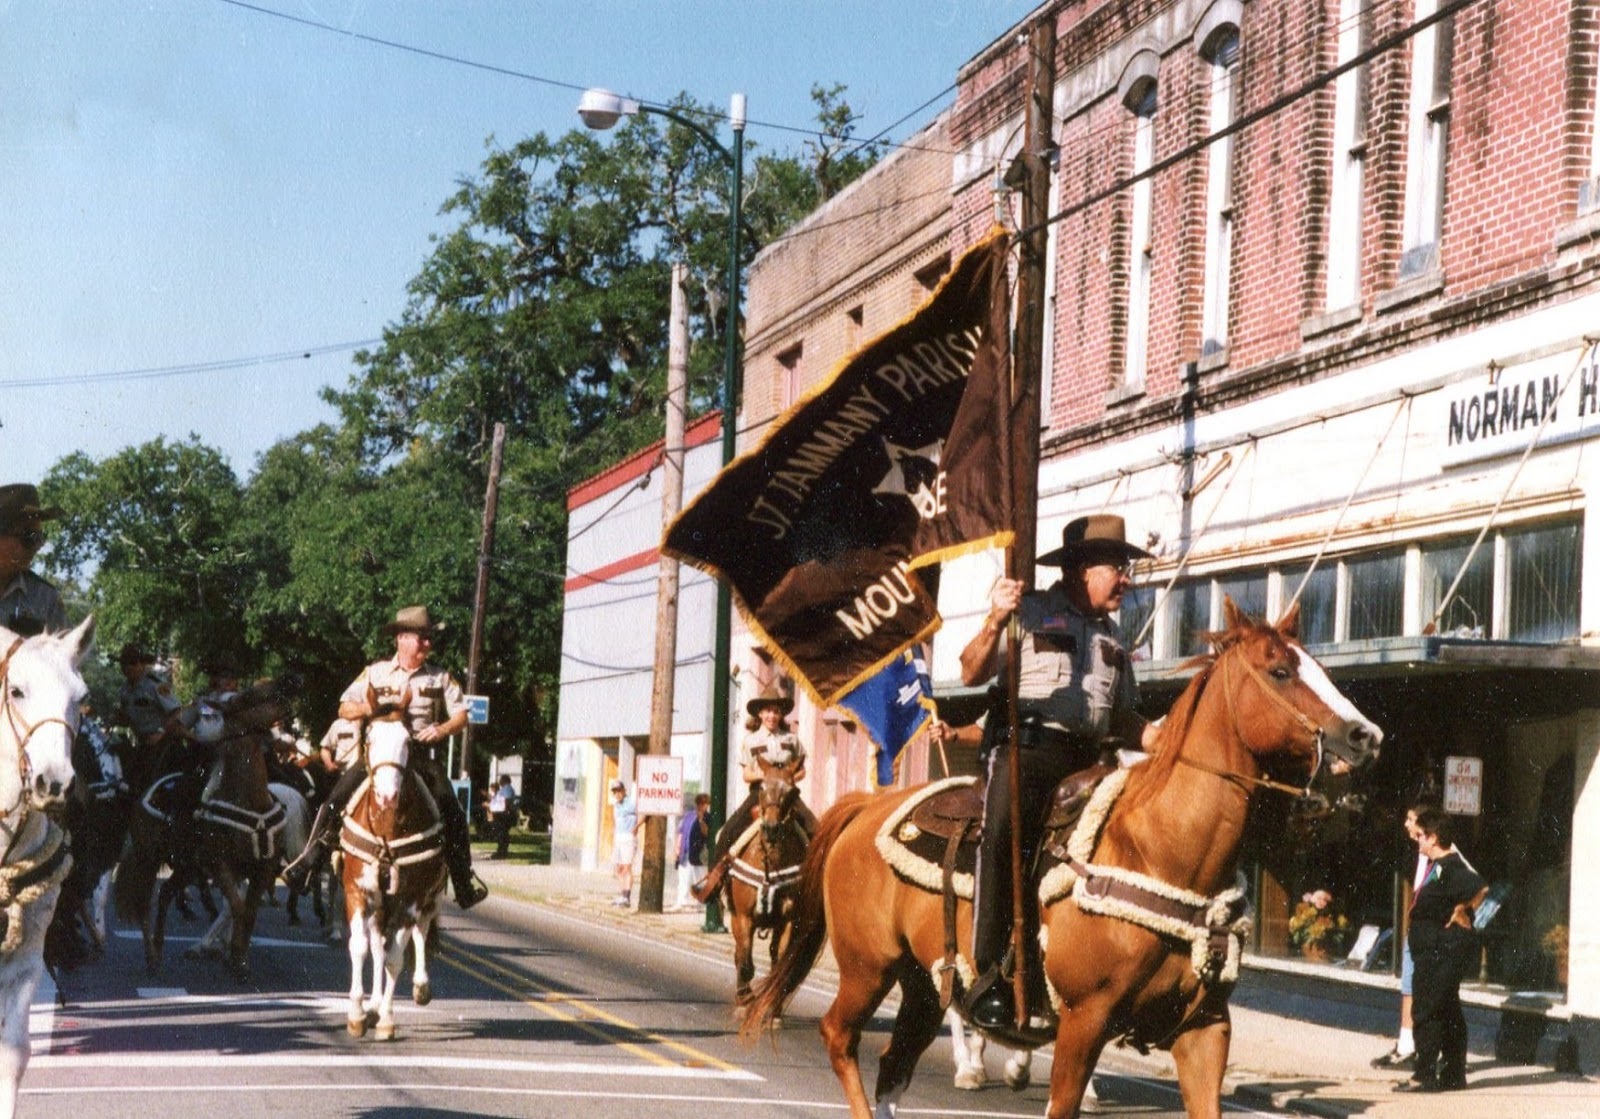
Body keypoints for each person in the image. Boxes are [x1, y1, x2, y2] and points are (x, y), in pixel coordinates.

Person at [956, 513, 1160, 1029]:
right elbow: (970, 669)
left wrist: (1168, 739)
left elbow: (1123, 717)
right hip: (1028, 752)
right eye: (1117, 567)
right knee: (1003, 838)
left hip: (1090, 762)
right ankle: (986, 976)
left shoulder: (1114, 637)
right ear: (1081, 569)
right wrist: (994, 619)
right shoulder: (1030, 611)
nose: (1126, 578)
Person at [283, 605, 489, 909]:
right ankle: (308, 862)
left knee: (451, 809)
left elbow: (461, 715)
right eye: (422, 638)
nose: (428, 644)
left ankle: (463, 881)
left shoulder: (440, 677)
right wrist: (369, 710)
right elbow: (343, 708)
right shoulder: (375, 672)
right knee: (336, 799)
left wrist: (442, 729)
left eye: (429, 638)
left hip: (418, 755)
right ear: (402, 638)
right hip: (377, 756)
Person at [693, 684, 818, 903]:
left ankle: (819, 886)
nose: (772, 715)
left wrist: (787, 780)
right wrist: (764, 778)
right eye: (768, 711)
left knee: (815, 829)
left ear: (781, 715)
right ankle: (714, 882)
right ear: (760, 714)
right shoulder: (751, 741)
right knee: (726, 832)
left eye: (776, 711)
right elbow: (747, 774)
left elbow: (802, 771)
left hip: (787, 796)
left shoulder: (792, 740)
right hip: (759, 794)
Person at [1393, 806, 1487, 1094]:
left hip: (1441, 949)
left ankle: (1424, 1076)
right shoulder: (1439, 867)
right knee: (1447, 1008)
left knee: (1428, 1009)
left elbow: (1480, 887)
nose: (1417, 840)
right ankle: (1453, 1074)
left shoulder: (1450, 866)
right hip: (1432, 949)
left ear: (1433, 838)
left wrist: (1463, 909)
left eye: (1421, 836)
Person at [1372, 801, 1437, 1070]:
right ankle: (1406, 1044)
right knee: (1408, 986)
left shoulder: (1443, 855)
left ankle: (1426, 1051)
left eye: (1411, 820)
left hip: (1432, 932)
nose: (1406, 824)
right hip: (1416, 927)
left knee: (1426, 989)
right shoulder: (1415, 853)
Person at [114, 642, 183, 794]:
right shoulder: (124, 690)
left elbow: (177, 711)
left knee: (154, 784)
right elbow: (127, 718)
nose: (128, 667)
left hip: (164, 744)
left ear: (142, 664)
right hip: (142, 743)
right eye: (124, 663)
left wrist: (160, 732)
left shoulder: (155, 685)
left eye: (133, 662)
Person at [0, 483, 66, 637]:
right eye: (30, 538)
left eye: (40, 538)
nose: (37, 547)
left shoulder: (45, 599)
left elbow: (68, 657)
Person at [672, 793, 712, 910]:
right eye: (700, 803)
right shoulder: (688, 816)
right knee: (683, 877)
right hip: (685, 852)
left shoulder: (708, 817)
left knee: (699, 879)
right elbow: (681, 831)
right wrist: (677, 847)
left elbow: (706, 833)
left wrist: (701, 820)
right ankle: (681, 901)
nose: (702, 806)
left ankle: (700, 903)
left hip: (699, 853)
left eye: (705, 804)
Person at [609, 778, 642, 908]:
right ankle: (622, 895)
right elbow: (615, 822)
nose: (617, 794)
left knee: (627, 867)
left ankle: (627, 897)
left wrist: (636, 827)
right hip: (619, 837)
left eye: (619, 791)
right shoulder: (616, 806)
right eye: (615, 792)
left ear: (624, 791)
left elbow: (644, 814)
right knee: (619, 868)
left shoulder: (631, 802)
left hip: (629, 837)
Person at [485, 775, 516, 859]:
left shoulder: (507, 789)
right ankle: (501, 850)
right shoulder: (504, 789)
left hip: (503, 815)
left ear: (505, 780)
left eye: (501, 780)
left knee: (501, 833)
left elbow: (506, 801)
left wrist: (504, 811)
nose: (499, 781)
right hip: (500, 813)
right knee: (501, 833)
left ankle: (502, 852)